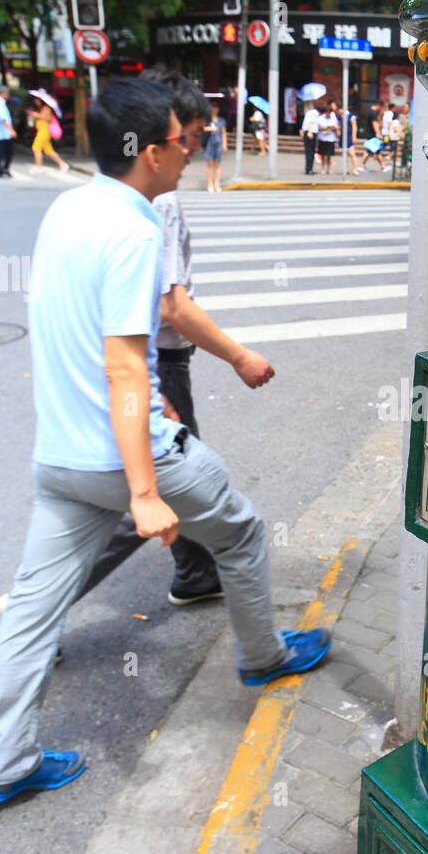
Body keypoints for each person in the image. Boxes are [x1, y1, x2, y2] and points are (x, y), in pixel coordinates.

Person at [0, 77, 330, 805]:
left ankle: (6, 761)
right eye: (183, 140)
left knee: (31, 607)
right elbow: (122, 360)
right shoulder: (133, 230)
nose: (192, 150)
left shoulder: (66, 211)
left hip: (61, 457)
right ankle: (263, 656)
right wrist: (145, 491)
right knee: (241, 536)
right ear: (150, 153)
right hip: (127, 456)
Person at [71, 66, 275, 612]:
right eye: (195, 133)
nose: (196, 148)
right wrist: (239, 356)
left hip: (148, 360)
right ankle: (40, 607)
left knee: (156, 477)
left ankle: (196, 568)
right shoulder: (153, 201)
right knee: (152, 485)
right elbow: (171, 304)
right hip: (153, 360)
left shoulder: (103, 201)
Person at [27, 99, 69, 174]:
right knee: (48, 150)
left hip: (45, 131)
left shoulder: (46, 108)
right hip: (41, 131)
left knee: (36, 147)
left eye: (37, 100)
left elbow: (48, 118)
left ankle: (38, 167)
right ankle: (62, 164)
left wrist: (37, 115)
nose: (36, 102)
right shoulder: (39, 109)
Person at [202, 97, 228, 192]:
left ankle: (217, 183)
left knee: (217, 164)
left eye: (216, 106)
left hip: (218, 143)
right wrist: (210, 129)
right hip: (209, 143)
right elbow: (202, 128)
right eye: (212, 106)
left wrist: (224, 144)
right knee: (209, 164)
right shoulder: (207, 119)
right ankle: (209, 183)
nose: (214, 108)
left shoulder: (221, 120)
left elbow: (223, 132)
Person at [359, 101, 386, 172]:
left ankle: (383, 166)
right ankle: (362, 165)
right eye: (381, 107)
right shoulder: (373, 113)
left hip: (370, 134)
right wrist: (378, 133)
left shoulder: (370, 111)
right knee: (372, 151)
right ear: (379, 105)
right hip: (373, 135)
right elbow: (374, 123)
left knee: (374, 151)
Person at [317, 100, 339, 176]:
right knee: (323, 155)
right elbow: (317, 128)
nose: (328, 115)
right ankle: (323, 168)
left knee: (329, 155)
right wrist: (325, 128)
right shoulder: (320, 118)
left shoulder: (333, 118)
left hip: (331, 138)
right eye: (327, 113)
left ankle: (328, 169)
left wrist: (333, 128)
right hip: (323, 138)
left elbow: (337, 127)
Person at [339, 102, 359, 176]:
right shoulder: (340, 116)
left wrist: (354, 137)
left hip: (349, 136)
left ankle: (355, 169)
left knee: (352, 154)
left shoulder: (351, 116)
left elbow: (354, 127)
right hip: (342, 136)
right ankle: (346, 169)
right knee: (344, 154)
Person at [0, 87, 15, 178]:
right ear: (3, 93)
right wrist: (11, 130)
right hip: (2, 134)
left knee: (5, 152)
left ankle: (4, 170)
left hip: (3, 133)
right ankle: (4, 169)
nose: (9, 96)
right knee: (6, 152)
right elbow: (3, 119)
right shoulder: (0, 103)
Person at [302, 100, 320, 175]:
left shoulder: (310, 112)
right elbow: (308, 122)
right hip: (310, 133)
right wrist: (310, 132)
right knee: (310, 152)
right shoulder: (314, 113)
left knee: (310, 152)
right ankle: (309, 169)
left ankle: (309, 168)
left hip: (309, 132)